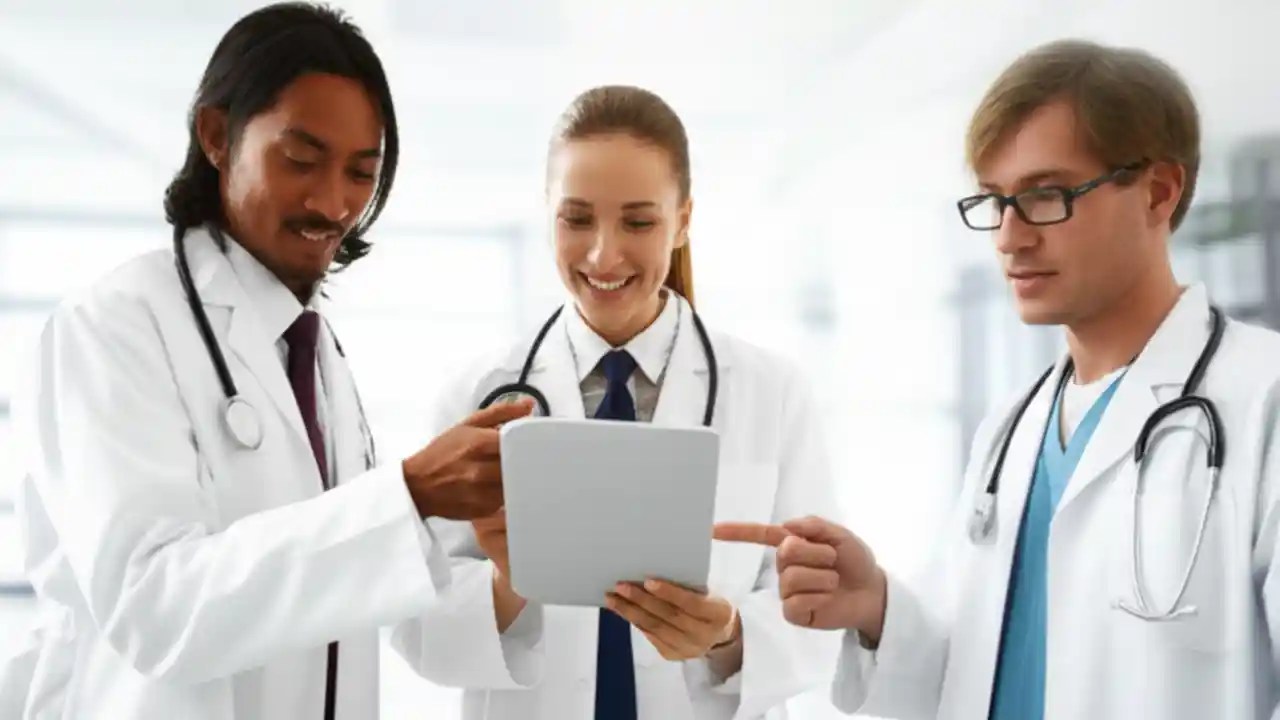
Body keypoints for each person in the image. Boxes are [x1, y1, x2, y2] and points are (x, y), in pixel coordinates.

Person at [715, 39, 1280, 720]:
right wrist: (876, 608)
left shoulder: (1261, 403)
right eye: (993, 201)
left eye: (1045, 196)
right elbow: (966, 673)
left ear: (1158, 193)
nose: (1009, 237)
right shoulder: (1010, 431)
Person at [0, 4, 531, 719]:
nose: (333, 202)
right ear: (217, 137)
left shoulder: (316, 357)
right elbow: (153, 607)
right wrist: (405, 495)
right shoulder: (115, 325)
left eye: (360, 173)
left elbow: (356, 598)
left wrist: (514, 572)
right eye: (302, 160)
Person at [391, 85, 841, 719]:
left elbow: (821, 616)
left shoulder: (772, 392)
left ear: (683, 220)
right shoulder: (475, 392)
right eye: (576, 219)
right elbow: (411, 630)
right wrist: (506, 586)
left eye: (638, 221)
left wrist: (728, 636)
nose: (604, 254)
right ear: (546, 212)